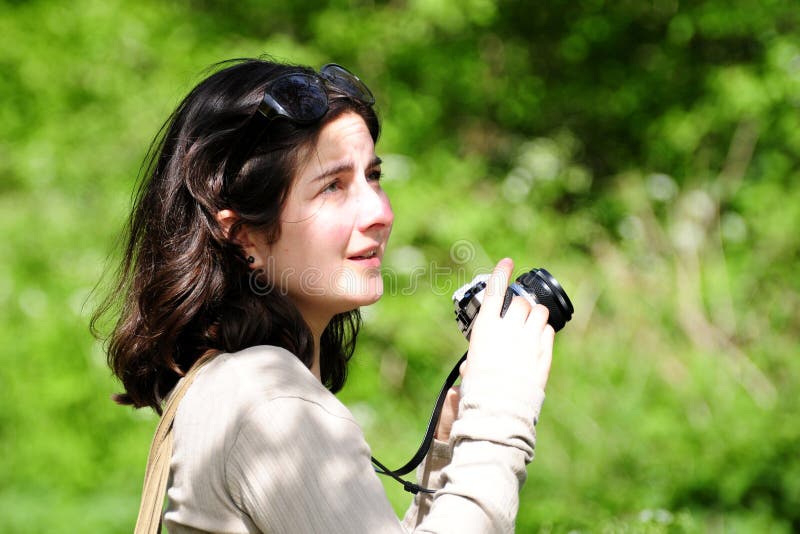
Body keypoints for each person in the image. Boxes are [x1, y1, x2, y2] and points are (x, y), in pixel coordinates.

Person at [93, 57, 556, 533]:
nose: (379, 211)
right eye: (333, 187)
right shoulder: (268, 401)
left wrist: (447, 450)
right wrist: (498, 414)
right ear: (243, 235)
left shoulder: (234, 382)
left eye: (372, 176)